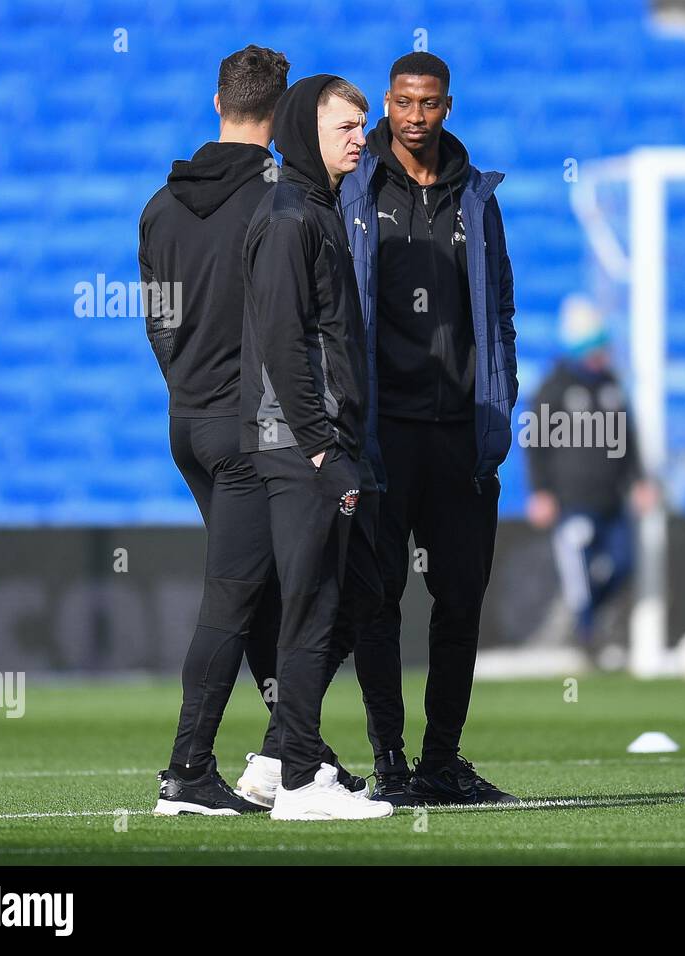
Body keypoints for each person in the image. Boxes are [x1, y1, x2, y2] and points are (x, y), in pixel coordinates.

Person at [340, 52, 519, 805]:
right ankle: (389, 761)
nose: (416, 117)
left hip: (458, 431)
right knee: (376, 602)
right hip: (383, 431)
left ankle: (442, 762)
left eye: (431, 103)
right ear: (389, 102)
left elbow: (500, 310)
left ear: (449, 105)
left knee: (460, 600)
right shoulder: (354, 187)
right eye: (405, 103)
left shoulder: (477, 196)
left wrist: (499, 403)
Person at [140, 45, 290, 816]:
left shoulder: (161, 206)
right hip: (250, 431)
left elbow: (158, 322)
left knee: (255, 589)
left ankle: (289, 754)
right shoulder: (278, 197)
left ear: (216, 102)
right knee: (238, 597)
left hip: (189, 423)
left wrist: (190, 390)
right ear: (282, 108)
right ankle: (188, 772)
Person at [240, 73, 391, 821]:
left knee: (357, 596)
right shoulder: (292, 217)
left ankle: (277, 757)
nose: (363, 138)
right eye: (347, 127)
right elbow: (282, 346)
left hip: (325, 441)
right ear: (306, 129)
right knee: (314, 607)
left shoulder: (320, 210)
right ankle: (301, 779)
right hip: (307, 447)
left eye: (365, 125)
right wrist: (324, 450)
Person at [525, 295, 655, 659]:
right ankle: (586, 634)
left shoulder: (610, 385)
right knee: (578, 565)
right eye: (596, 348)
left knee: (624, 561)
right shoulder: (555, 387)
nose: (604, 355)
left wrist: (640, 480)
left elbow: (627, 437)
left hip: (612, 499)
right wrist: (541, 492)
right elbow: (536, 441)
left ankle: (591, 622)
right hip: (572, 501)